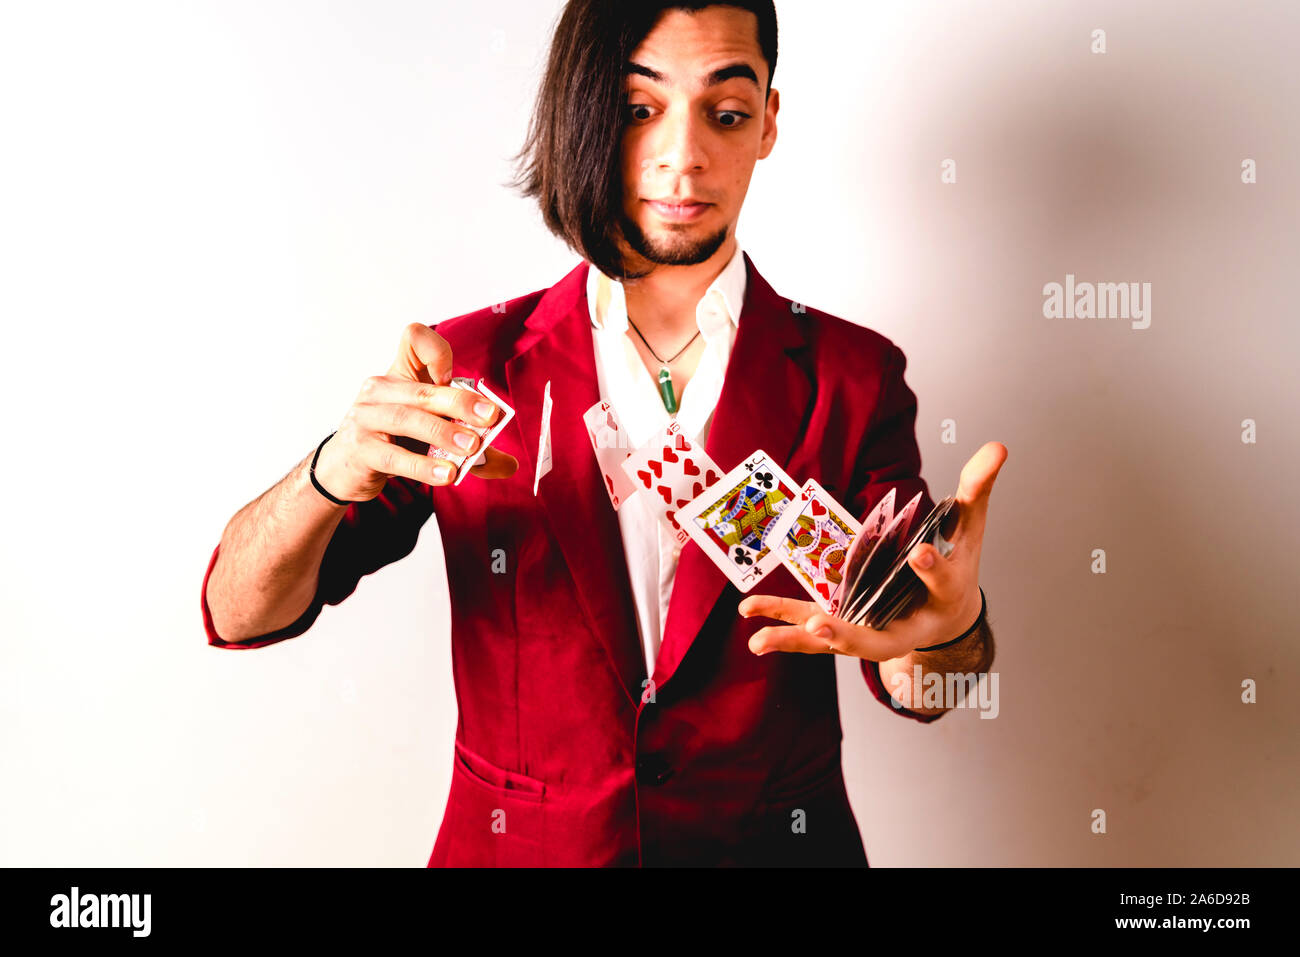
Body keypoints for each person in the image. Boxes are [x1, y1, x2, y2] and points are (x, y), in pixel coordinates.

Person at [201, 0, 1005, 867]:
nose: (684, 156)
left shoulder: (855, 375)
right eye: (637, 109)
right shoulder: (465, 369)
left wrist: (950, 627)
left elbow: (929, 685)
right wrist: (333, 470)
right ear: (584, 112)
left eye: (726, 113)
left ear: (769, 121)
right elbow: (237, 612)